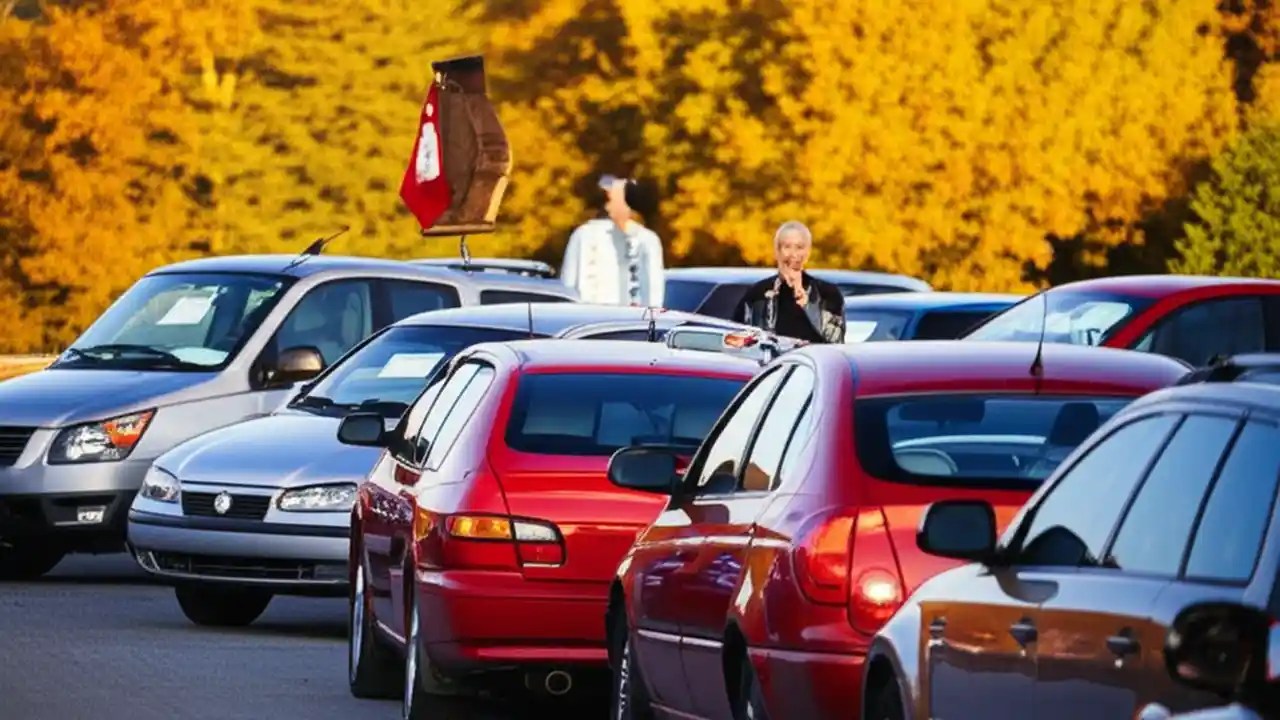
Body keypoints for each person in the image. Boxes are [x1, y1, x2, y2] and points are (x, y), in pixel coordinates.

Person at [561, 174, 665, 306]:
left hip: (592, 320)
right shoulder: (584, 235)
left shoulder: (583, 235)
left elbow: (566, 288)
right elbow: (654, 295)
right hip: (624, 322)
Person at [735, 221, 846, 344]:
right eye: (787, 247)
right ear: (777, 252)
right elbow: (736, 339)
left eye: (799, 247)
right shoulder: (758, 294)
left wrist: (808, 305)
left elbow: (836, 340)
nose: (793, 255)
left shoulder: (827, 294)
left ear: (808, 253)